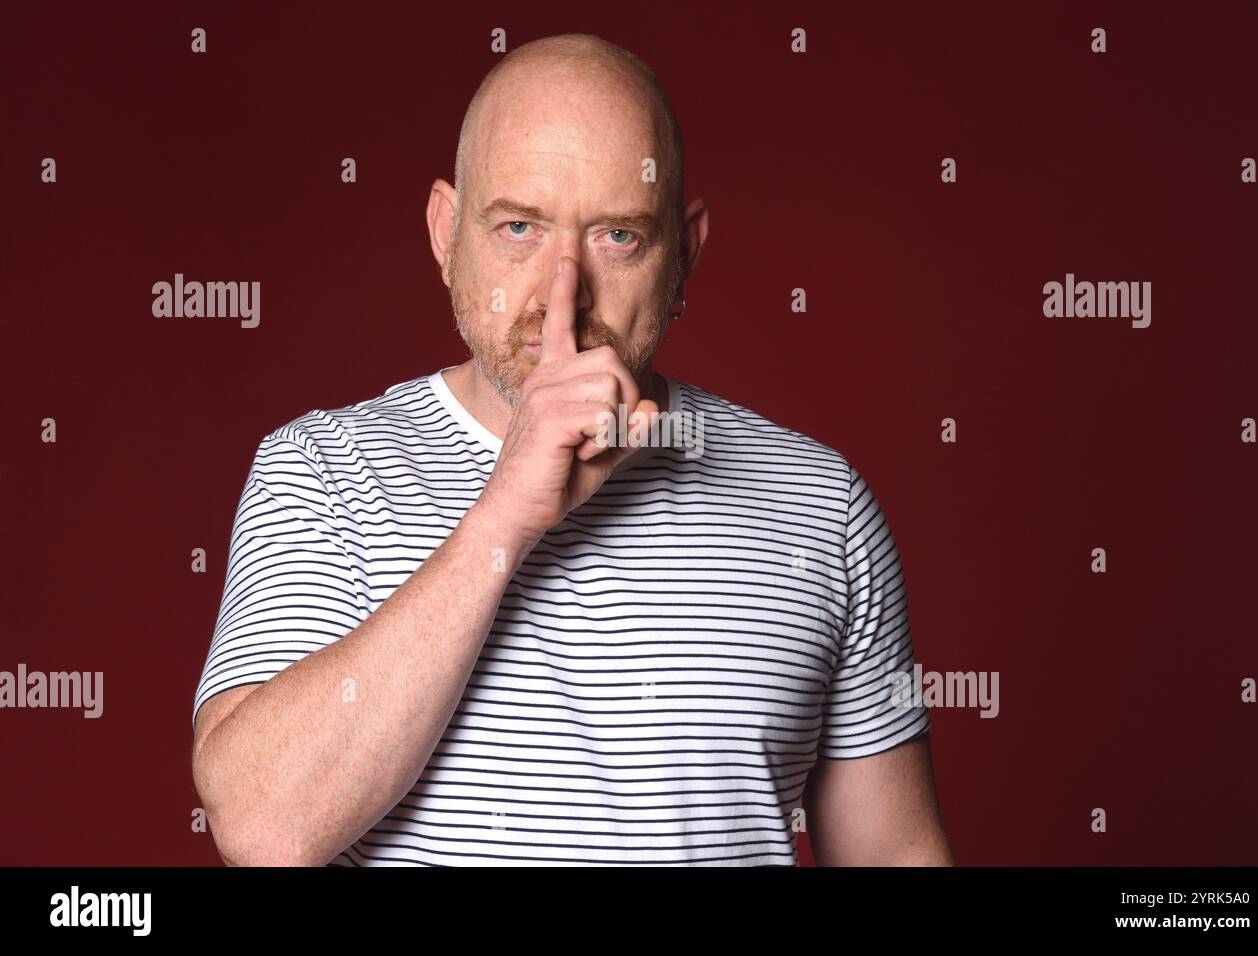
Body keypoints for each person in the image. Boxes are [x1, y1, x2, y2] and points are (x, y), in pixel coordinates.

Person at [190, 32, 954, 867]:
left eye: (618, 237)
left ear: (685, 254)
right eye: (518, 226)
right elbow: (263, 829)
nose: (565, 290)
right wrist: (505, 517)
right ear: (447, 234)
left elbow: (897, 855)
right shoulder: (323, 470)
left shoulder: (820, 506)